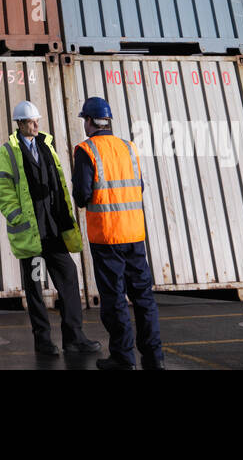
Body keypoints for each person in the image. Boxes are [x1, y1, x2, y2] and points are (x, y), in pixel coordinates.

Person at [0, 100, 101, 358]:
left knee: (69, 277)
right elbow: (4, 191)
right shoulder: (8, 152)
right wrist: (17, 218)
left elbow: (58, 183)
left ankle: (74, 339)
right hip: (31, 235)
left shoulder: (46, 146)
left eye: (37, 120)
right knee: (36, 289)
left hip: (52, 231)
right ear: (19, 124)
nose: (36, 125)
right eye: (31, 122)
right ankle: (43, 342)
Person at [72, 96, 165, 370]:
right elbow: (140, 187)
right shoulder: (129, 147)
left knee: (114, 299)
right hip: (135, 234)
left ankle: (124, 358)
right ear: (108, 121)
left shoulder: (86, 150)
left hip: (107, 237)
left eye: (85, 120)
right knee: (144, 297)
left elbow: (82, 194)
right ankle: (154, 358)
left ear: (89, 121)